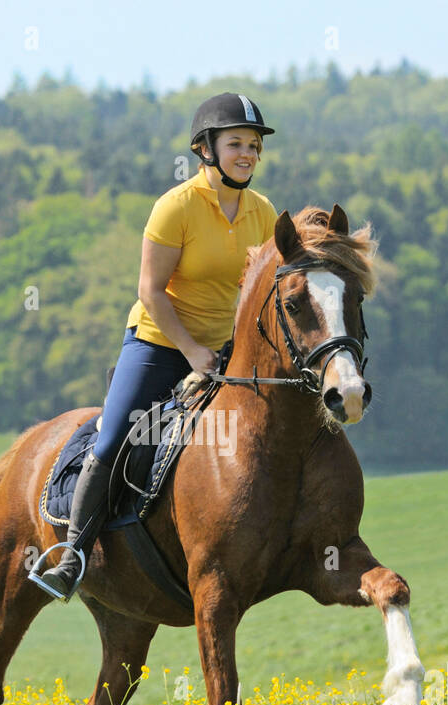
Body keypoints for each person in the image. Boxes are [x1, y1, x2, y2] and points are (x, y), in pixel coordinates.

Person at [32, 92, 279, 601]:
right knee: (116, 435)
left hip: (227, 351)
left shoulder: (264, 212)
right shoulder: (176, 207)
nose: (248, 154)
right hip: (160, 342)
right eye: (236, 144)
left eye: (254, 146)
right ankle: (72, 554)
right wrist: (190, 351)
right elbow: (150, 291)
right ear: (205, 149)